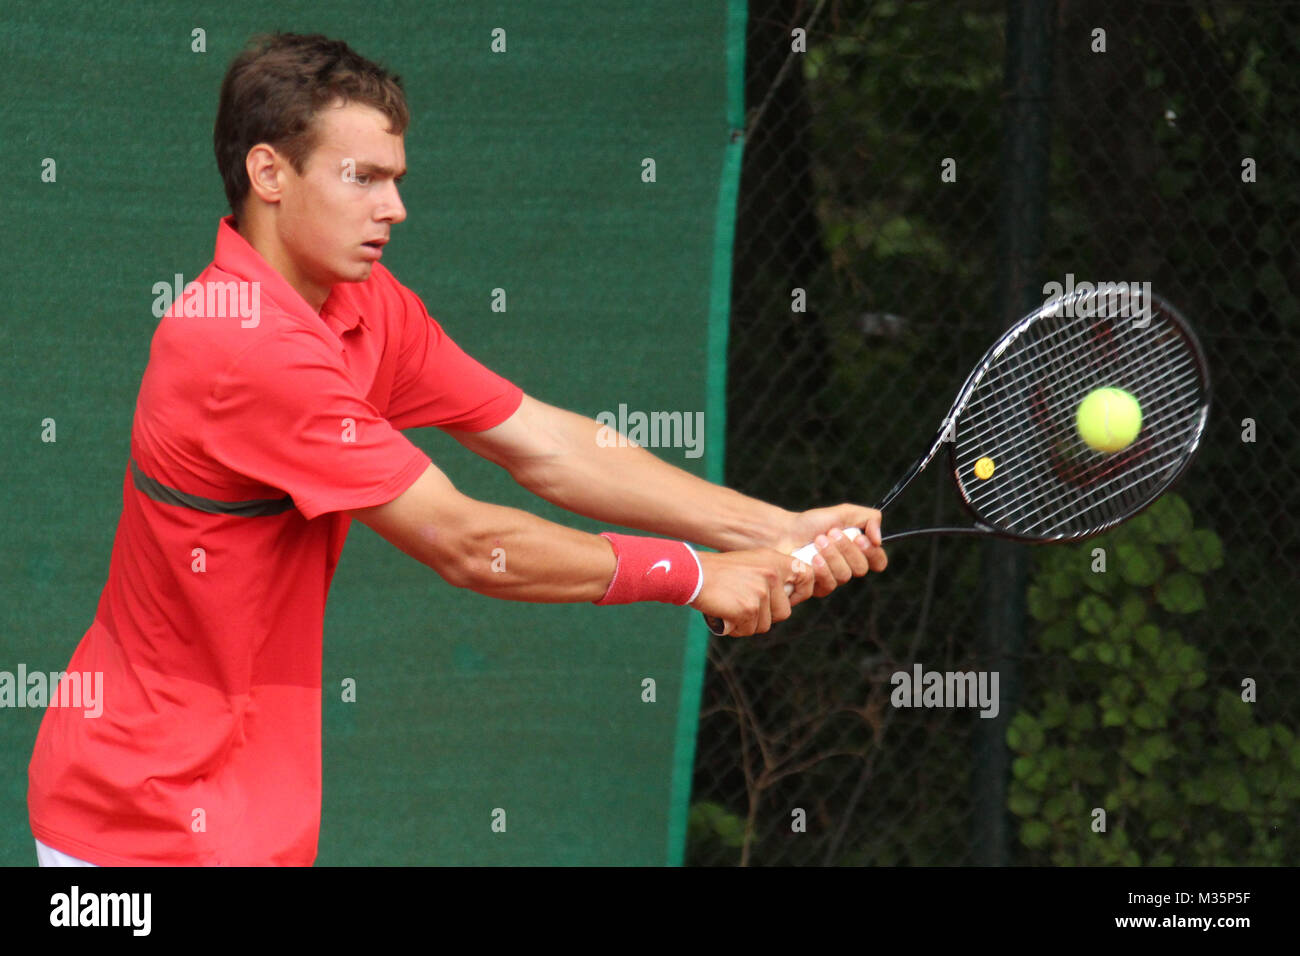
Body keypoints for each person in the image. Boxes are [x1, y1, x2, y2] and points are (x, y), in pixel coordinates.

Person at [27, 32, 887, 866]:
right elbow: (471, 546)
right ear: (268, 174)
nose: (394, 207)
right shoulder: (244, 347)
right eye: (361, 177)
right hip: (137, 821)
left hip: (251, 805)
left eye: (396, 179)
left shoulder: (361, 307)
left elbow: (544, 442)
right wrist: (692, 575)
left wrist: (769, 527)